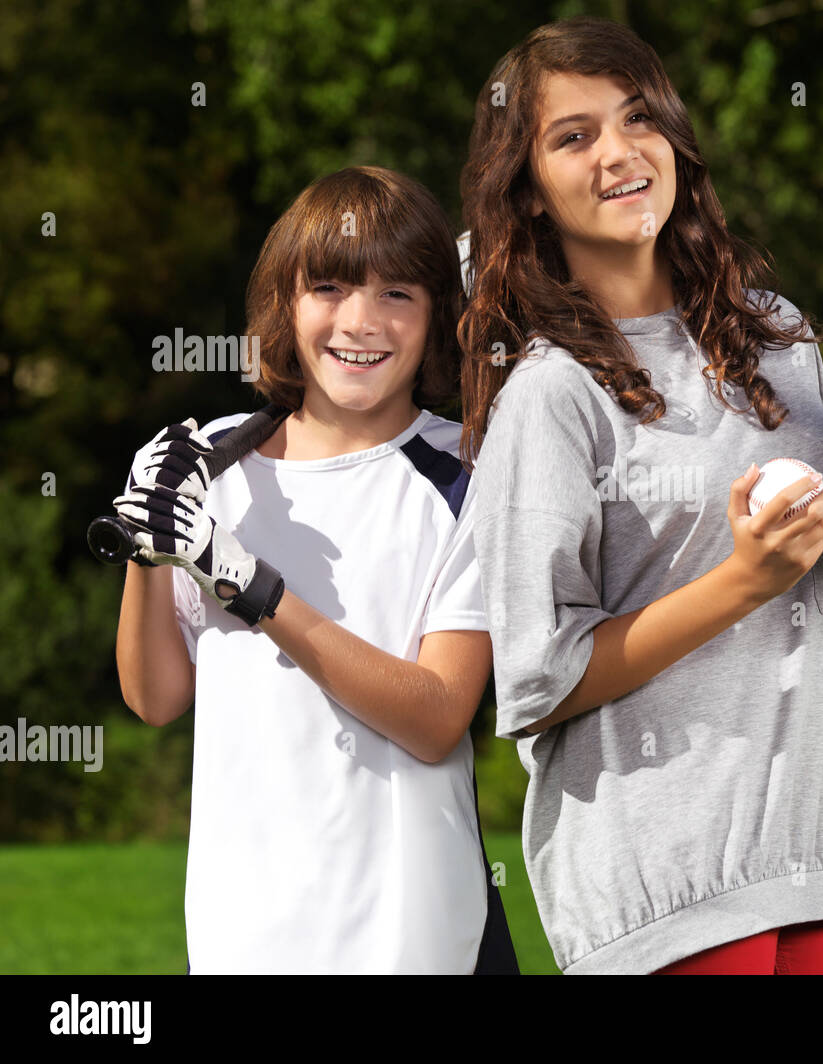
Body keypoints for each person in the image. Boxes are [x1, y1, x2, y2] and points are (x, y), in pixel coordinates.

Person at [457, 17, 823, 975]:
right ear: (530, 193)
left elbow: (820, 579)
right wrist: (744, 583)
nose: (619, 152)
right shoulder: (550, 394)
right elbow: (536, 681)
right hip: (662, 876)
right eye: (574, 135)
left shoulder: (779, 340)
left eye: (637, 117)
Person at [113, 166, 517, 974]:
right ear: (284, 305)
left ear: (438, 315)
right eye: (328, 287)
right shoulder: (217, 463)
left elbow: (437, 717)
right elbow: (155, 697)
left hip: (411, 940)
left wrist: (253, 589)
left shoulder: (470, 474)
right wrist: (149, 550)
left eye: (398, 293)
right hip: (240, 934)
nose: (360, 322)